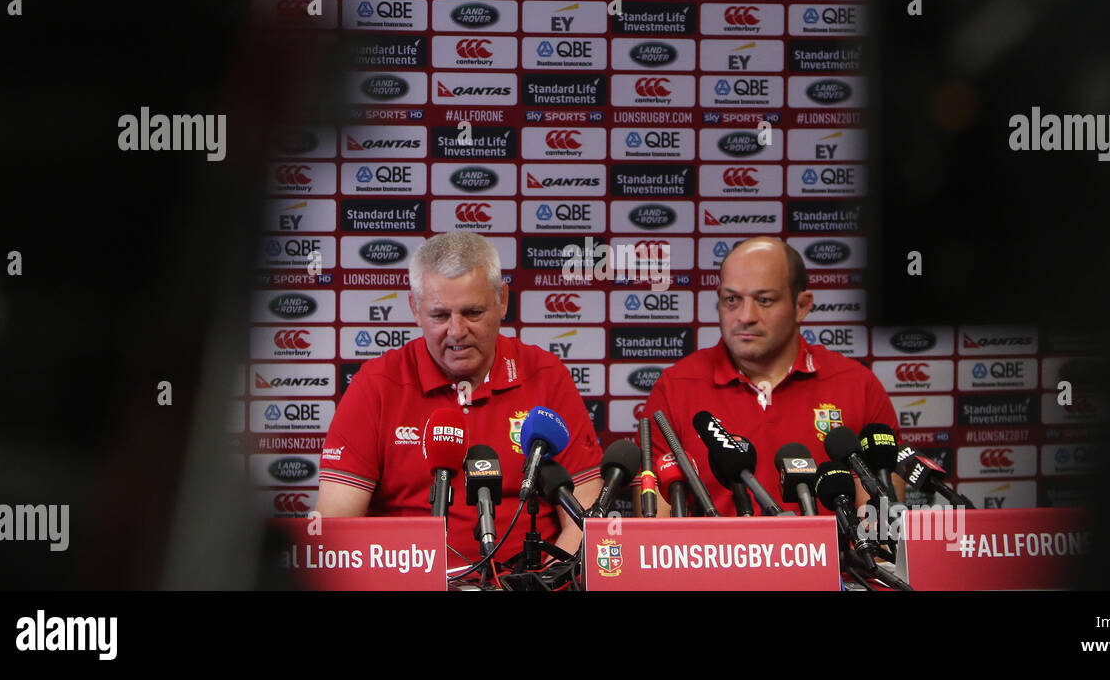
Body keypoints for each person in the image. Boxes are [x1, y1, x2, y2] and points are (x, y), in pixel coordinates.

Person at [317, 231, 603, 562]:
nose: (456, 331)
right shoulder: (376, 385)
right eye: (440, 315)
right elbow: (335, 528)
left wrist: (546, 583)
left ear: (502, 301)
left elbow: (584, 519)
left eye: (473, 312)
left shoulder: (545, 375)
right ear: (415, 308)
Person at [643, 236, 905, 516]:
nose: (745, 316)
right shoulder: (675, 389)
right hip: (710, 560)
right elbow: (654, 536)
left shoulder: (857, 387)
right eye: (732, 299)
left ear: (801, 306)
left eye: (764, 300)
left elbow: (882, 531)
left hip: (835, 560)